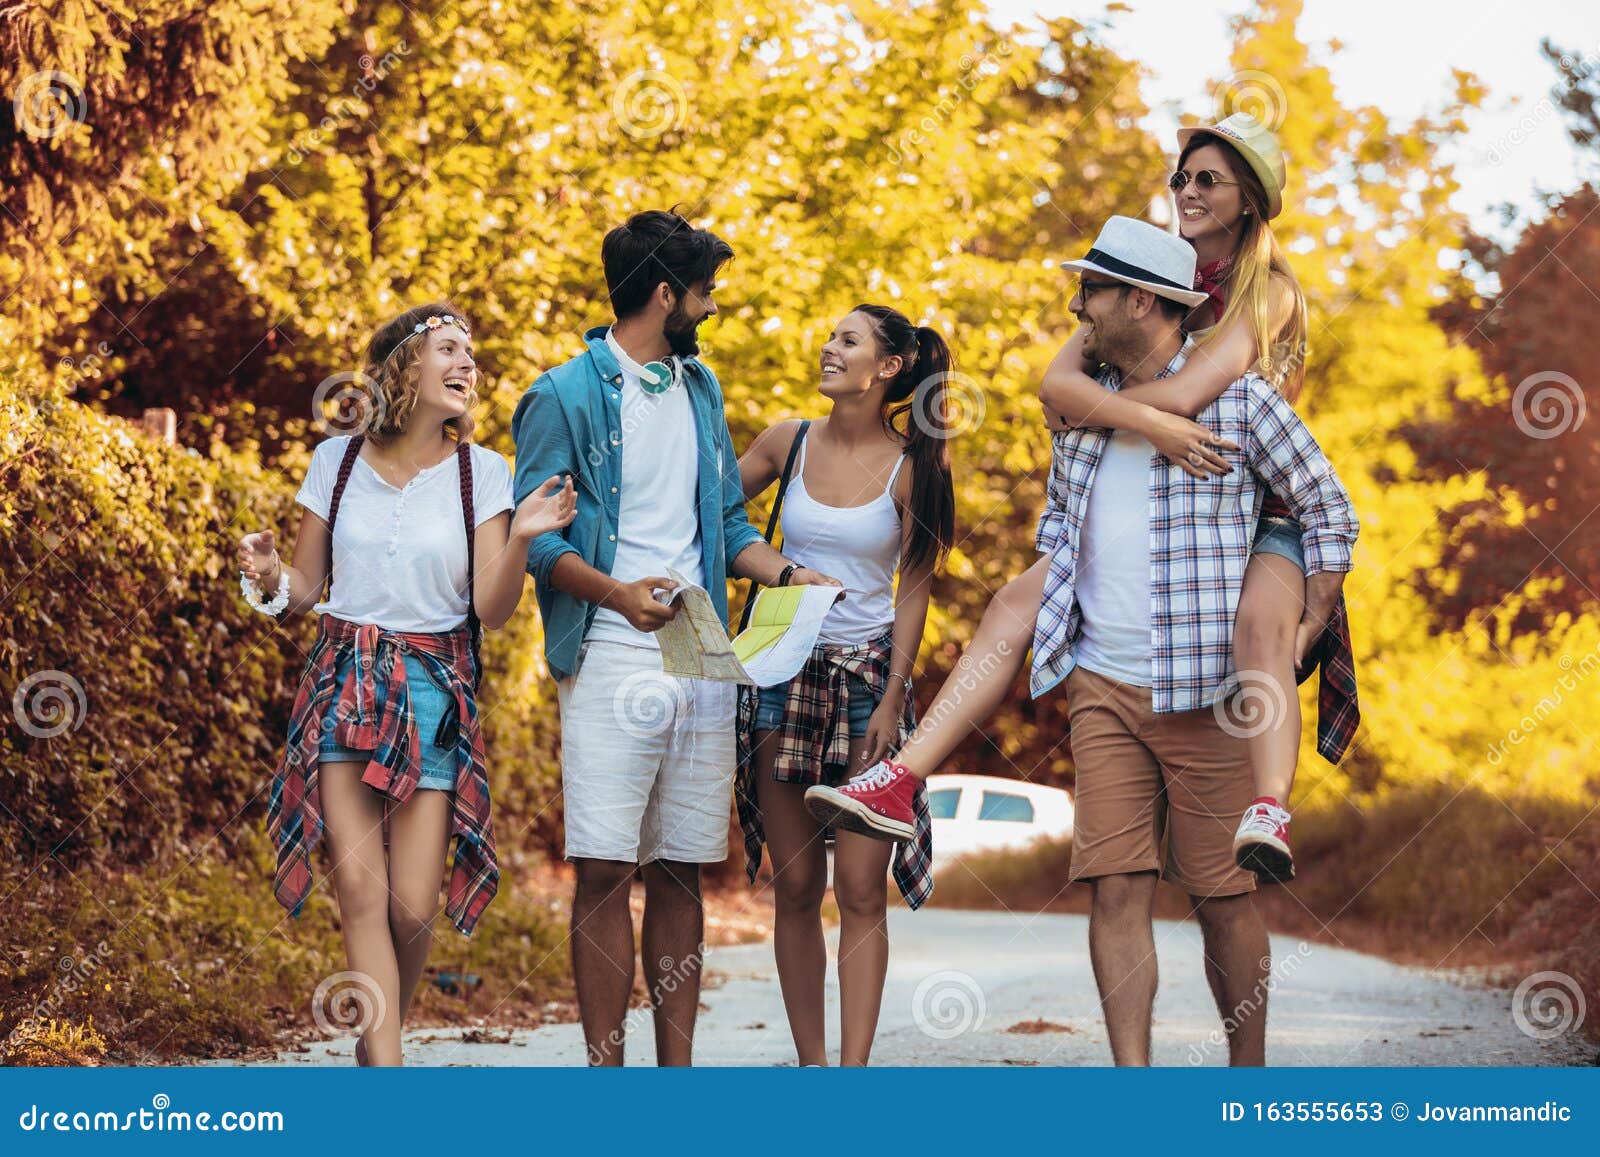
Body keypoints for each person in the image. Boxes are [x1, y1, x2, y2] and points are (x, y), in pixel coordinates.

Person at [816, 113, 1355, 886]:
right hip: (1165, 486)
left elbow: (1192, 392)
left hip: (1256, 500)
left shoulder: (1263, 291)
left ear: (1247, 200)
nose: (1187, 190)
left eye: (1208, 179)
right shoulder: (1140, 278)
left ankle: (1270, 806)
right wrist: (1142, 422)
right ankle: (901, 778)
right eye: (1182, 176)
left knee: (1261, 628)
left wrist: (1121, 412)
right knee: (1010, 605)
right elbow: (1057, 388)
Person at [511, 209, 839, 1067]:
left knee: (682, 867)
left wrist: (785, 576)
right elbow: (535, 541)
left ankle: (676, 1083)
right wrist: (617, 595)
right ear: (665, 295)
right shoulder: (560, 394)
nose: (711, 308)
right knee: (603, 866)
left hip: (698, 648)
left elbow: (727, 522)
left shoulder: (702, 388)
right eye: (704, 293)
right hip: (613, 645)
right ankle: (607, 1079)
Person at [1038, 215, 1357, 1064]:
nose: (1079, 306)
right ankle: (1135, 1089)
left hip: (1204, 689)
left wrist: (1315, 613)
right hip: (1101, 683)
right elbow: (1056, 524)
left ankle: (1243, 1079)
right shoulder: (1081, 414)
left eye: (1093, 290)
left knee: (1223, 897)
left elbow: (1328, 505)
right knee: (1114, 888)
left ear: (1141, 301)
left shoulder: (1243, 400)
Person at [242, 303, 577, 1066]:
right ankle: (388, 1082)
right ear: (403, 365)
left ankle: (377, 1038)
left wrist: (523, 536)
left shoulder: (483, 473)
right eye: (451, 349)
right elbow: (305, 586)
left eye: (472, 353)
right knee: (360, 894)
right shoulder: (336, 462)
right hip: (343, 679)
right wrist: (267, 576)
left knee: (413, 905)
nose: (470, 365)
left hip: (433, 690)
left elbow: (490, 611)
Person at [736, 304, 955, 1066]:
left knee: (862, 890)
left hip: (867, 682)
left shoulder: (915, 465)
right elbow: (716, 523)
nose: (828, 348)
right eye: (830, 336)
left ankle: (853, 1076)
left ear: (888, 367)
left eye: (848, 340)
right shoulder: (785, 440)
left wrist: (894, 698)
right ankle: (813, 1071)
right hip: (781, 680)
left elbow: (916, 586)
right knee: (797, 890)